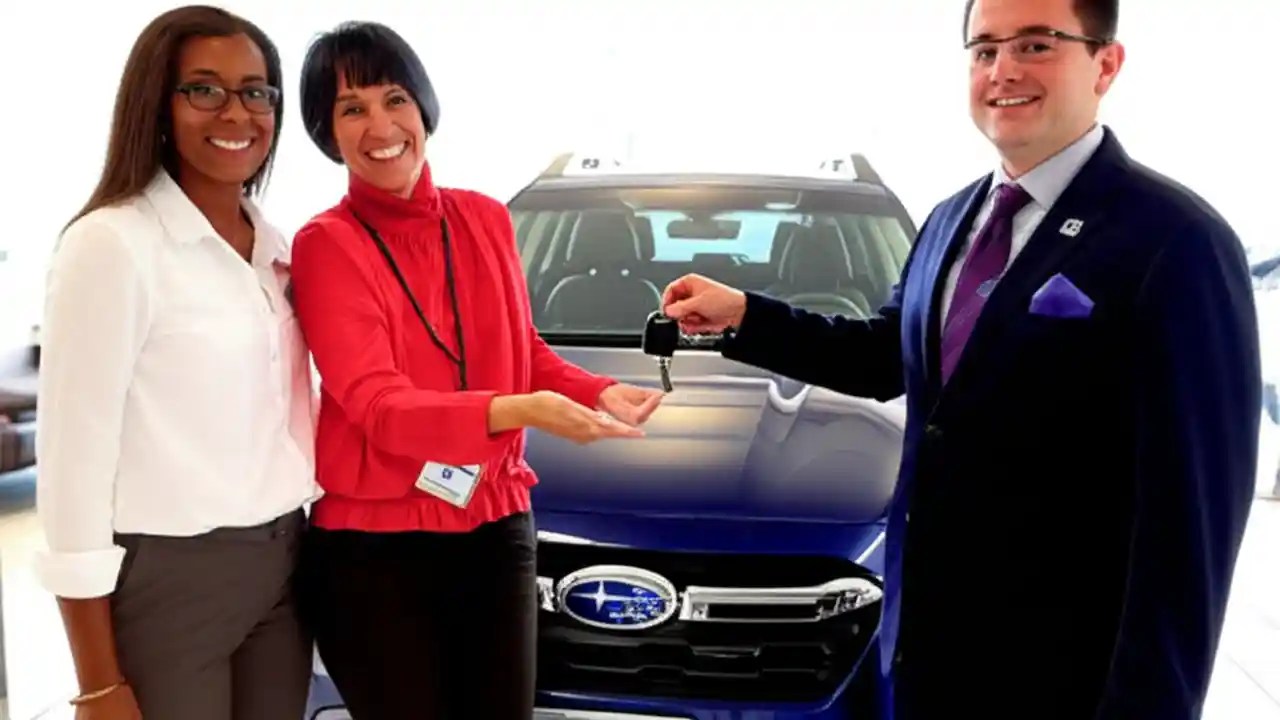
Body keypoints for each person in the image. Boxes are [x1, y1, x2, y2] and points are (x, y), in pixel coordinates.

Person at [661, 0, 1260, 718]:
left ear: (1106, 63)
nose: (1003, 71)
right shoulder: (951, 217)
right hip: (921, 661)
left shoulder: (1177, 242)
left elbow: (1189, 528)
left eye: (1037, 45)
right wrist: (749, 318)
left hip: (1063, 677)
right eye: (984, 50)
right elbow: (888, 358)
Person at [288, 21, 664, 720]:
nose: (380, 125)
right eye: (351, 108)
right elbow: (378, 407)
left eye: (394, 98)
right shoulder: (327, 245)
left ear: (423, 107)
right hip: (377, 551)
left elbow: (523, 352)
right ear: (325, 130)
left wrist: (597, 389)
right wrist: (521, 412)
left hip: (495, 531)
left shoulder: (486, 219)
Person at [34, 6, 316, 719]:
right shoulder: (114, 244)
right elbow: (73, 470)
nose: (237, 111)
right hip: (170, 578)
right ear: (157, 105)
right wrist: (97, 682)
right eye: (204, 89)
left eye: (256, 91)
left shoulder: (273, 244)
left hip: (285, 563)